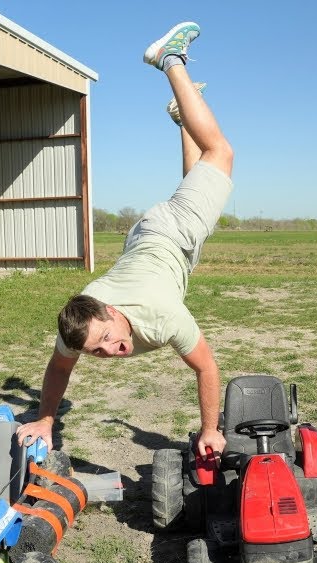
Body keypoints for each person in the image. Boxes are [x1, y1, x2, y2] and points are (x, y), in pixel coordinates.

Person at [15, 21, 233, 459]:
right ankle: (180, 118)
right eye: (99, 351)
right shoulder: (80, 321)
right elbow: (59, 367)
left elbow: (206, 366)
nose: (113, 352)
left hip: (170, 234)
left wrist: (210, 430)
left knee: (219, 155)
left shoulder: (162, 315)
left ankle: (170, 58)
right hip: (149, 241)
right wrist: (44, 418)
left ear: (111, 311)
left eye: (109, 339)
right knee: (194, 179)